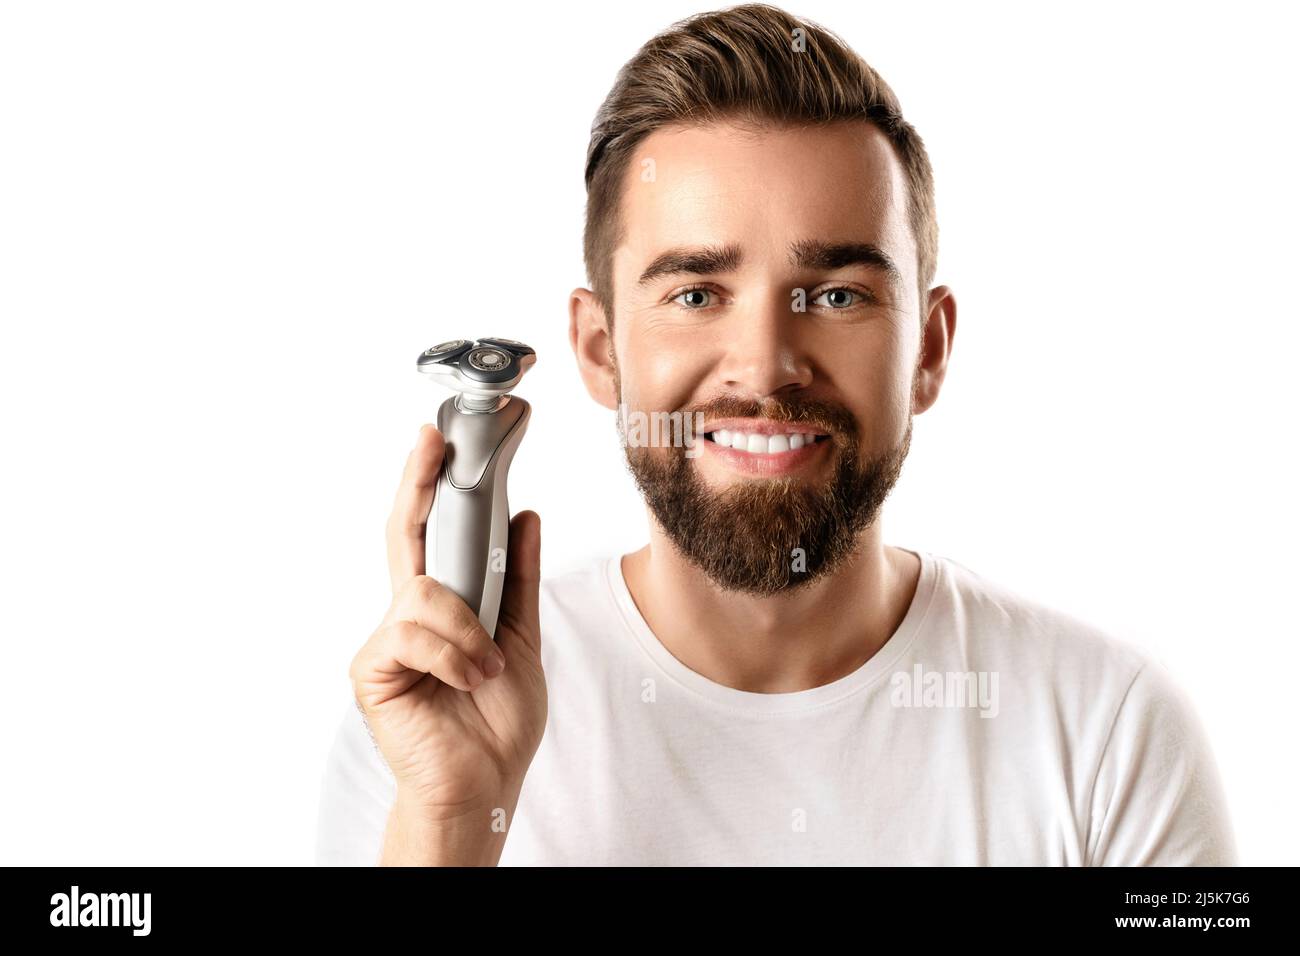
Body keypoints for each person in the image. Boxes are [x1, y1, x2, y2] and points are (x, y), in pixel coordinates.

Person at [316, 2, 1237, 866]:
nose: (762, 368)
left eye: (837, 296)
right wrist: (449, 820)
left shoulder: (1111, 737)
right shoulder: (421, 728)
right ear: (600, 351)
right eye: (696, 294)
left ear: (930, 348)